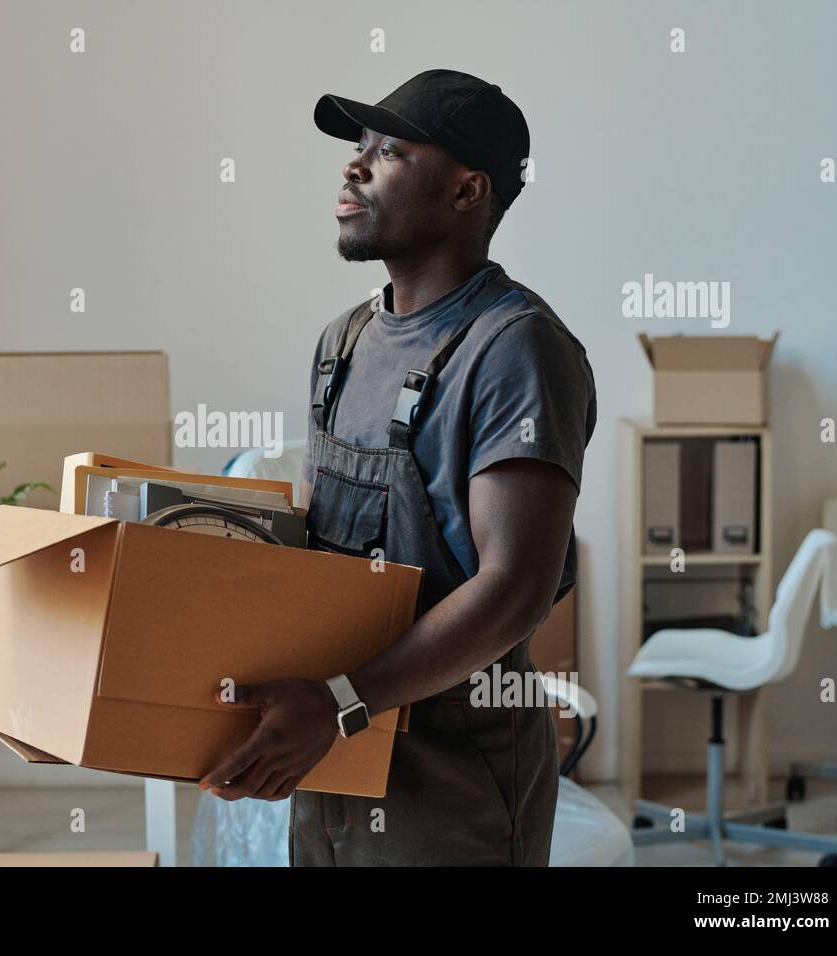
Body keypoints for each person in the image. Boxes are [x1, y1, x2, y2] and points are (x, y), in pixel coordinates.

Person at [197, 69, 597, 866]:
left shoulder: (516, 347)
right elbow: (317, 555)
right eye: (357, 149)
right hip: (327, 754)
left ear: (465, 190)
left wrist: (343, 702)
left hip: (451, 780)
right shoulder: (342, 343)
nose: (353, 166)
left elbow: (516, 588)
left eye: (388, 151)